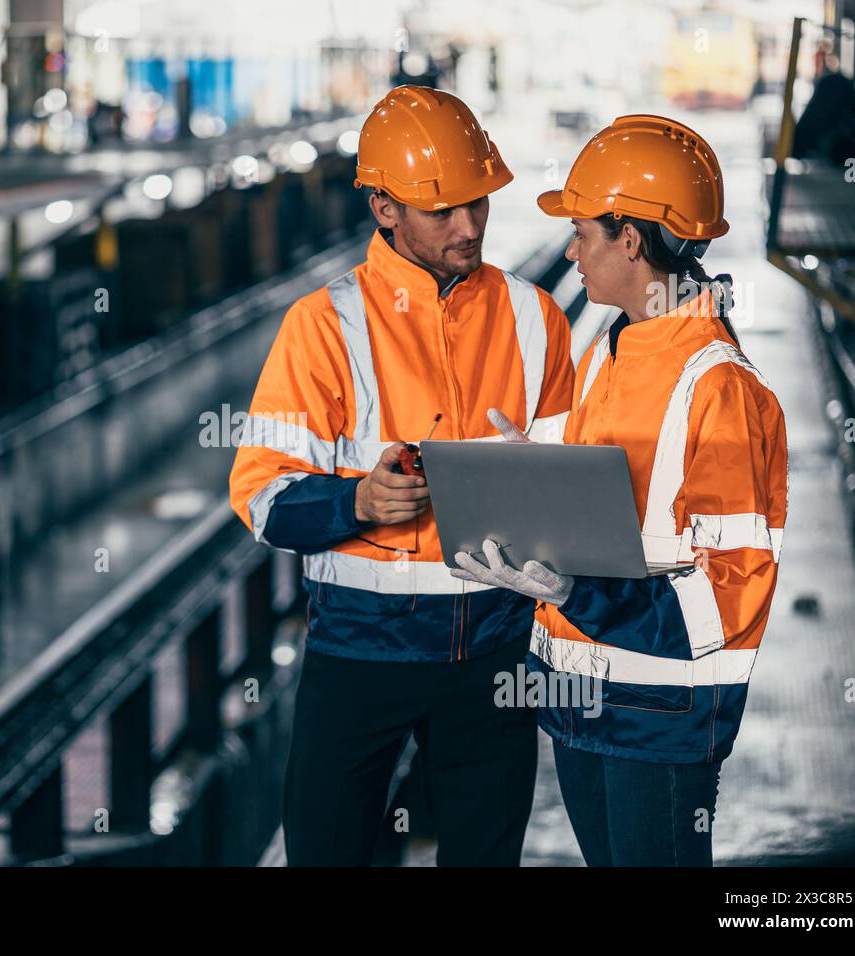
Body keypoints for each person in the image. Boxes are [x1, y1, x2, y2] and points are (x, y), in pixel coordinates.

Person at [228, 85, 574, 866]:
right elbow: (261, 497)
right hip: (361, 653)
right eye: (443, 210)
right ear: (384, 208)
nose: (469, 226)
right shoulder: (322, 327)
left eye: (477, 203)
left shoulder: (534, 318)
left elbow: (567, 487)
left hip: (494, 648)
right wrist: (358, 498)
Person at [450, 114, 788, 866]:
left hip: (659, 717)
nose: (571, 250)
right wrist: (527, 475)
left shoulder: (720, 387)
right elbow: (609, 505)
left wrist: (582, 596)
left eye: (582, 232)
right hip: (581, 700)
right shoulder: (613, 350)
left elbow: (728, 595)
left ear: (630, 241)